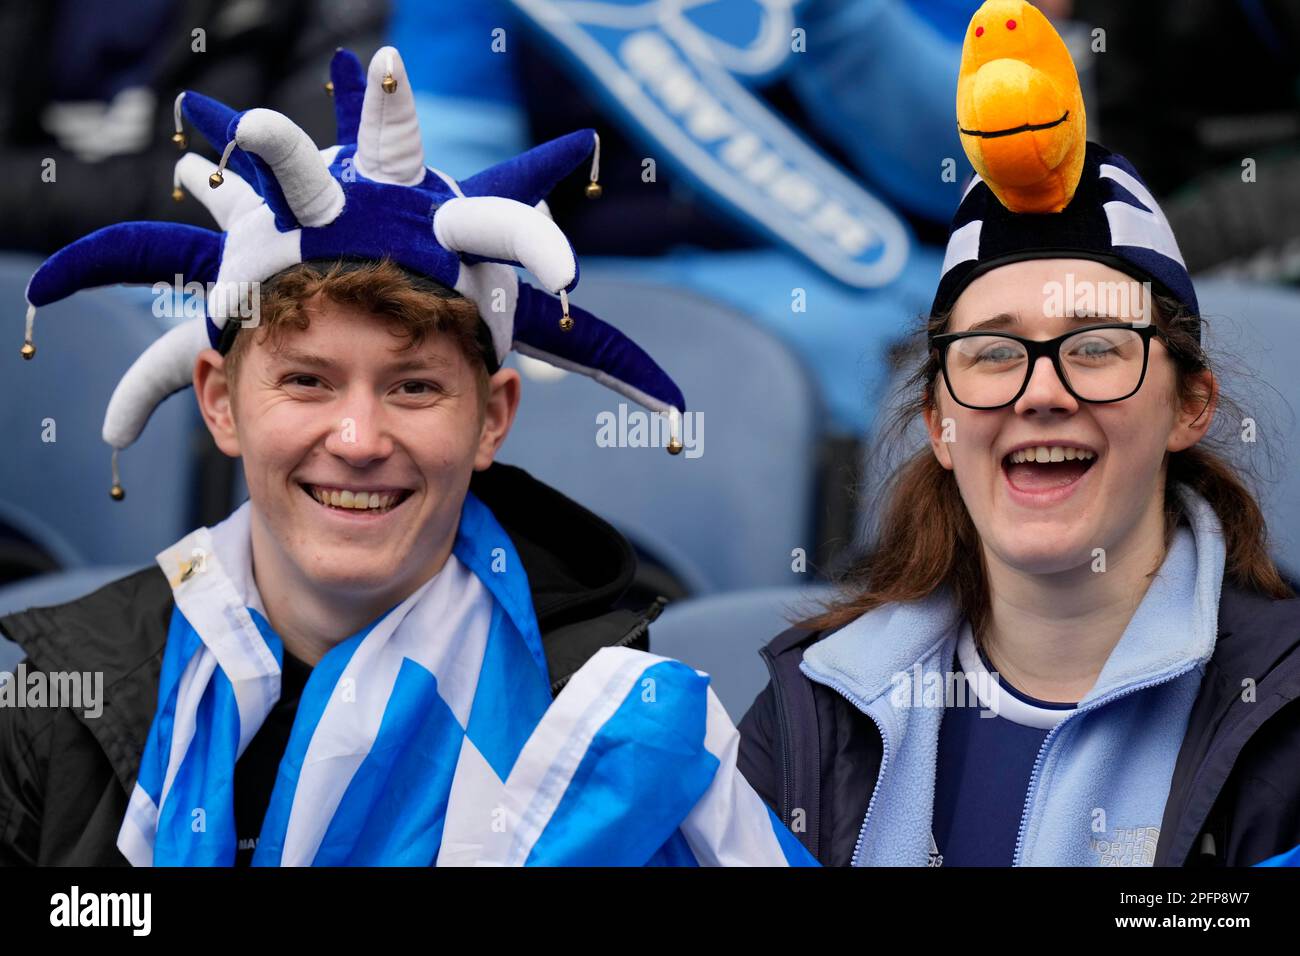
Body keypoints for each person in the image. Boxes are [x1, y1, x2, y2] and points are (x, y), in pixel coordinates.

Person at [0, 45, 801, 867]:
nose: (357, 441)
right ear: (219, 402)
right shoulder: (66, 697)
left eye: (414, 388)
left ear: (492, 419)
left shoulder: (614, 735)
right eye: (307, 381)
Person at [737, 0, 1300, 867]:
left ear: (1191, 406)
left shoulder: (1287, 713)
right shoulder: (810, 712)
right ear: (940, 421)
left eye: (1096, 345)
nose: (1042, 392)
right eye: (994, 352)